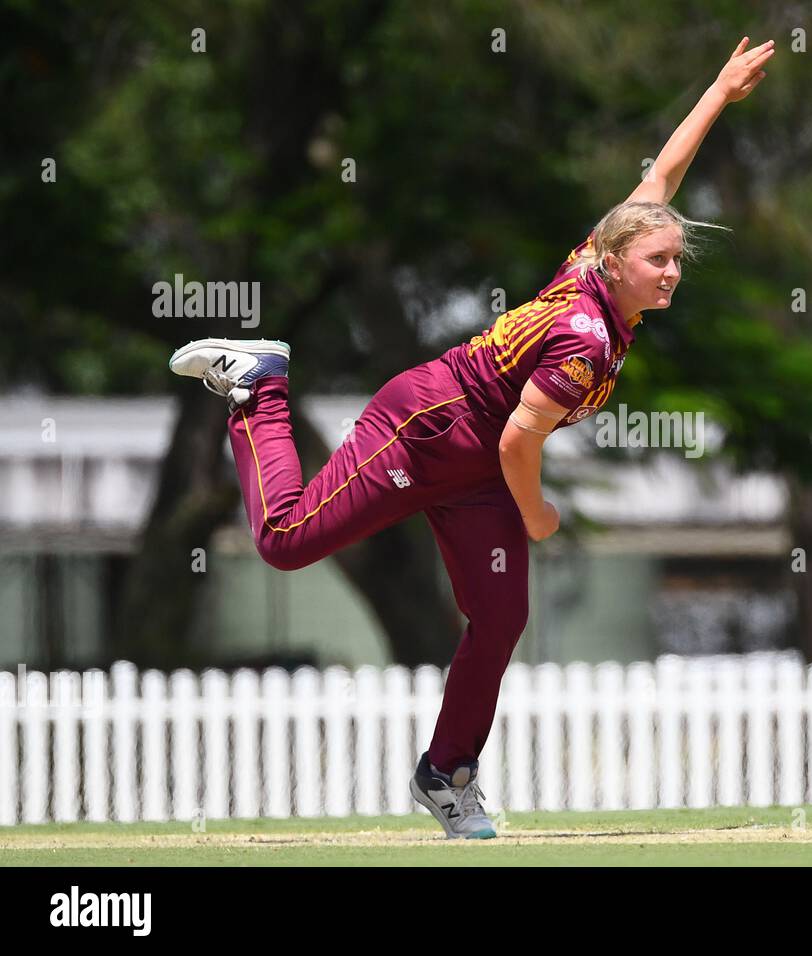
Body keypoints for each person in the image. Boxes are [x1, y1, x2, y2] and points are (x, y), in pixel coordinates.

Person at [168, 37, 775, 838]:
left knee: (499, 618)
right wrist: (536, 515)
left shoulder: (596, 262)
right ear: (619, 259)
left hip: (474, 467)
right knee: (283, 541)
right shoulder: (587, 334)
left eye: (675, 260)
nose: (671, 270)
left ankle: (445, 775)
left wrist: (718, 95)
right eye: (659, 259)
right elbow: (520, 447)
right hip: (426, 428)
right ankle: (262, 387)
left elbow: (657, 182)